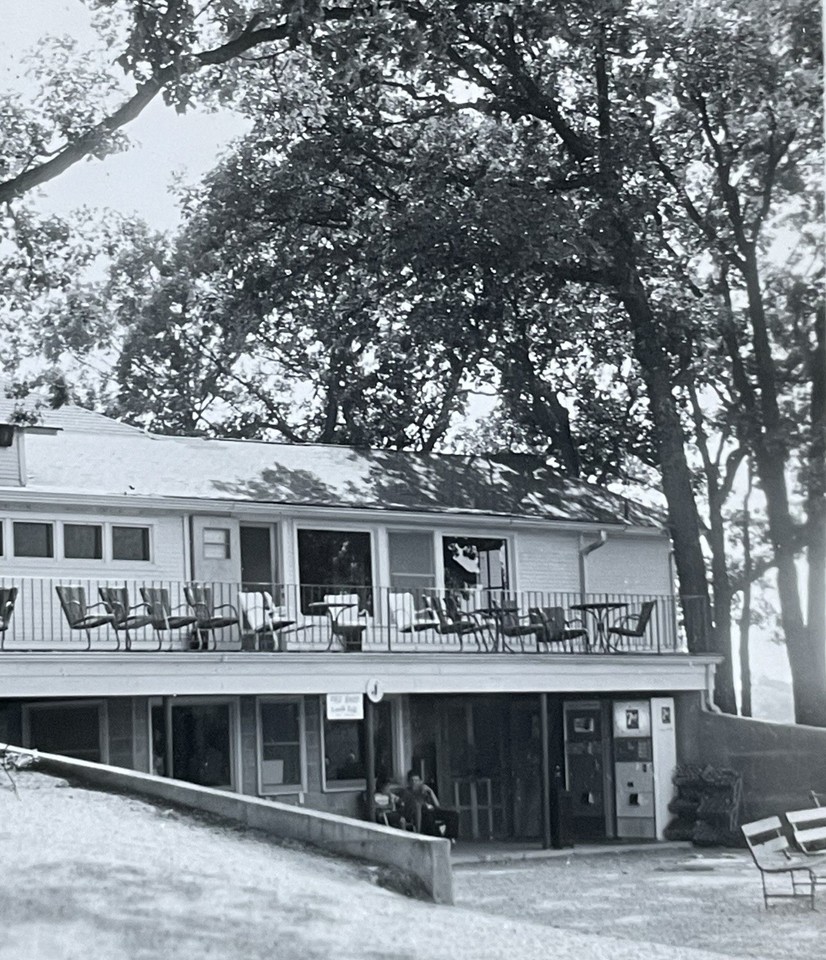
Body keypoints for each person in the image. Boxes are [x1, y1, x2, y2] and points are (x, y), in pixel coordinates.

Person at [398, 770, 459, 841]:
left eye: (416, 780)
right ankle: (435, 839)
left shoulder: (424, 790)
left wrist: (431, 792)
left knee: (454, 815)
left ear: (421, 781)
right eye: (412, 780)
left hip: (431, 811)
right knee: (429, 817)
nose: (414, 782)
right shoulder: (407, 792)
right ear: (408, 782)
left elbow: (437, 805)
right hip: (418, 814)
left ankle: (449, 838)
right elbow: (403, 805)